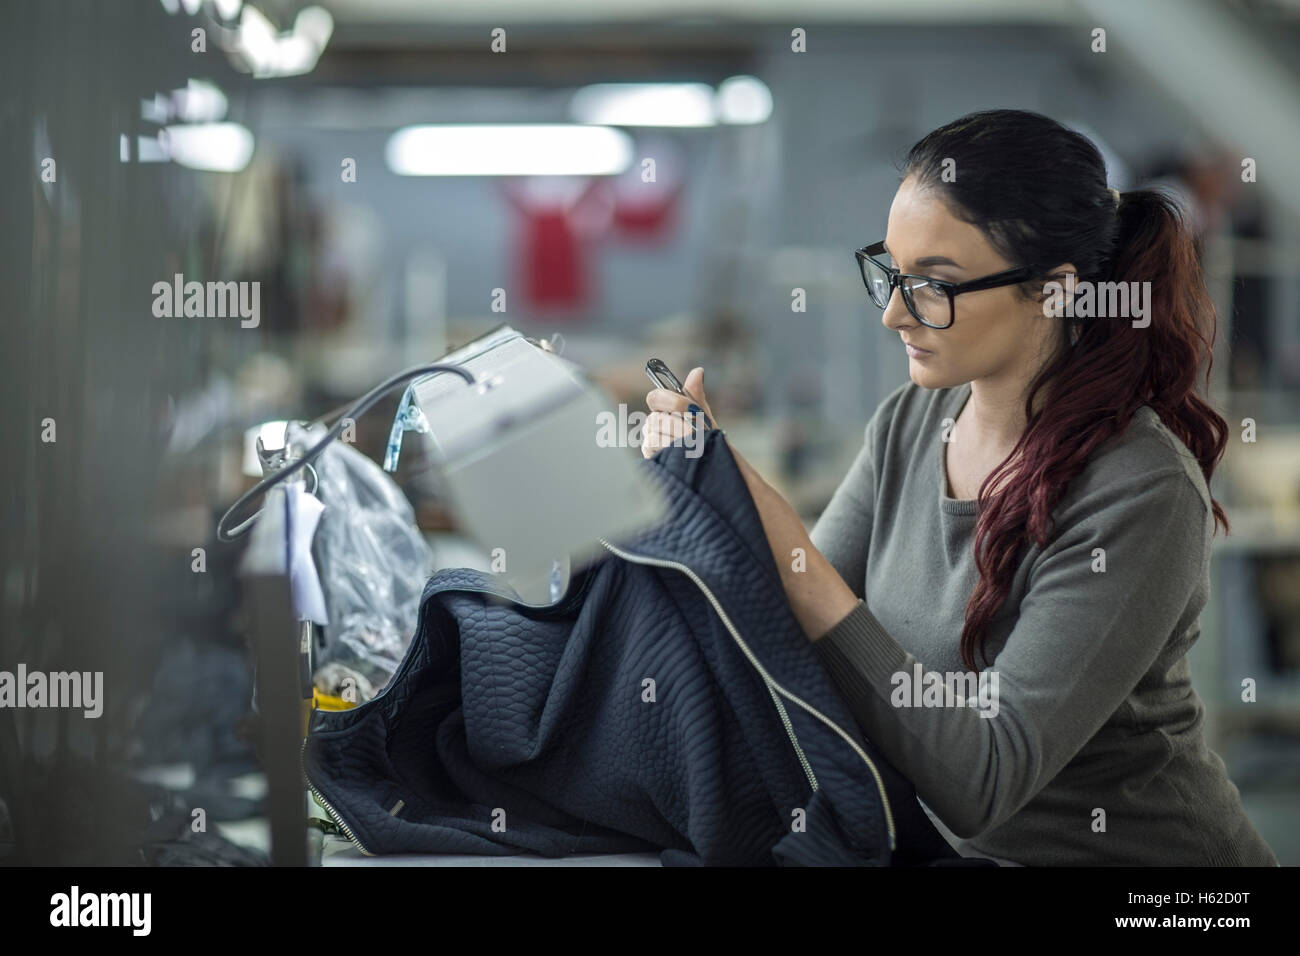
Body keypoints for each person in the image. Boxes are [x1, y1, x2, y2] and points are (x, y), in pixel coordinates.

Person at [641, 109, 1277, 867]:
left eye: (933, 286)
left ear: (1054, 291)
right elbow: (796, 641)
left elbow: (982, 776)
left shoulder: (1140, 490)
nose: (892, 313)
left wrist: (772, 530)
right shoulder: (910, 423)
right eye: (891, 271)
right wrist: (708, 492)